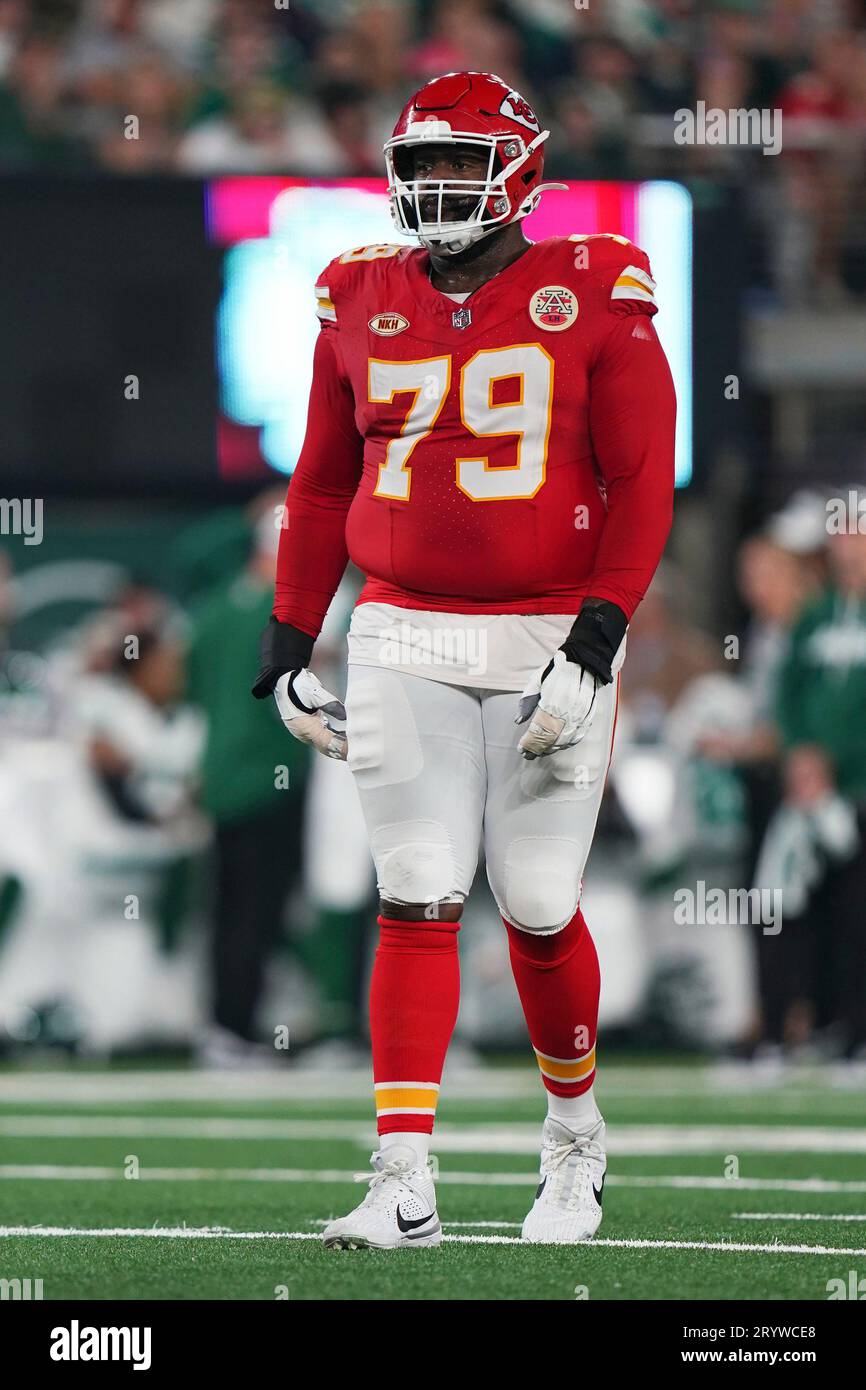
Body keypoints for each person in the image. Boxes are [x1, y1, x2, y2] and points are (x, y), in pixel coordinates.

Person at [252, 71, 675, 1247]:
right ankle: (402, 1175)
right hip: (400, 627)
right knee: (417, 886)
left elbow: (640, 479)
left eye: (461, 166)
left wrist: (598, 636)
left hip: (548, 627)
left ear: (519, 169)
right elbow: (322, 480)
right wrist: (290, 638)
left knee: (536, 901)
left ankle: (574, 1145)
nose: (439, 190)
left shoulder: (594, 284)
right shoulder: (355, 293)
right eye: (422, 167)